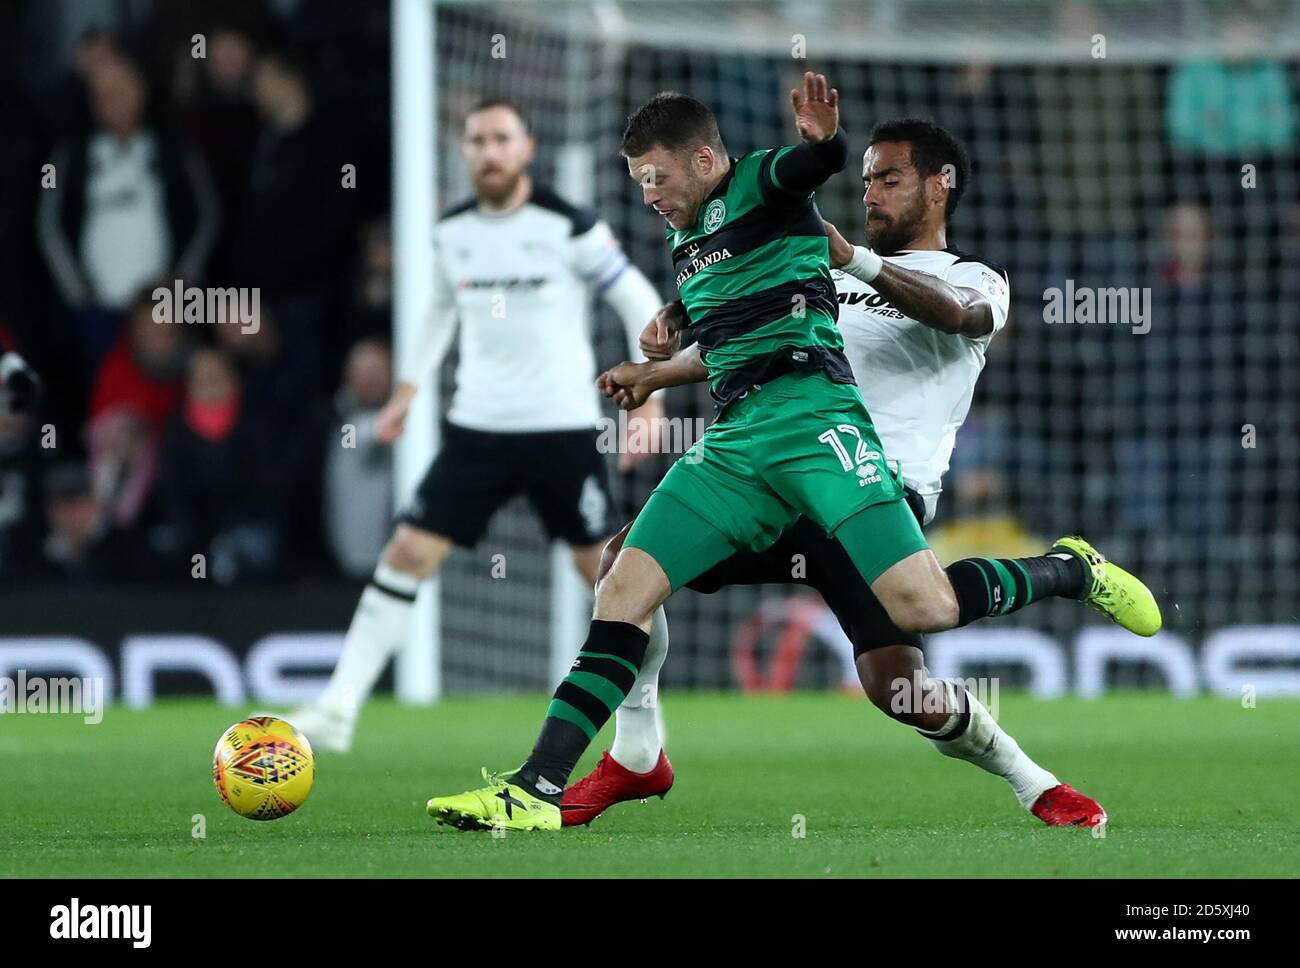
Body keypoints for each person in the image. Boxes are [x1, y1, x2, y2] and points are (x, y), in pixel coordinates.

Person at [425, 76, 1160, 832]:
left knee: (904, 666)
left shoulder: (972, 277)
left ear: (940, 186)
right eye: (866, 177)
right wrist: (656, 370)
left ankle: (1063, 609)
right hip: (769, 457)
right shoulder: (810, 265)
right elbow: (755, 340)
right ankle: (612, 762)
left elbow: (963, 320)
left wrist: (849, 233)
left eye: (890, 178)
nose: (871, 192)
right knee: (624, 569)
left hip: (867, 473)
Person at [286, 99, 666, 752]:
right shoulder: (451, 231)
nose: (489, 152)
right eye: (477, 141)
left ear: (527, 149)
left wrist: (651, 398)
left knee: (614, 580)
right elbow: (438, 312)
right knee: (407, 552)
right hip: (477, 429)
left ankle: (640, 722)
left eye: (501, 139)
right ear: (464, 153)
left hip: (560, 430)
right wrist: (406, 393)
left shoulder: (567, 225)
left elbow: (635, 295)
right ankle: (339, 709)